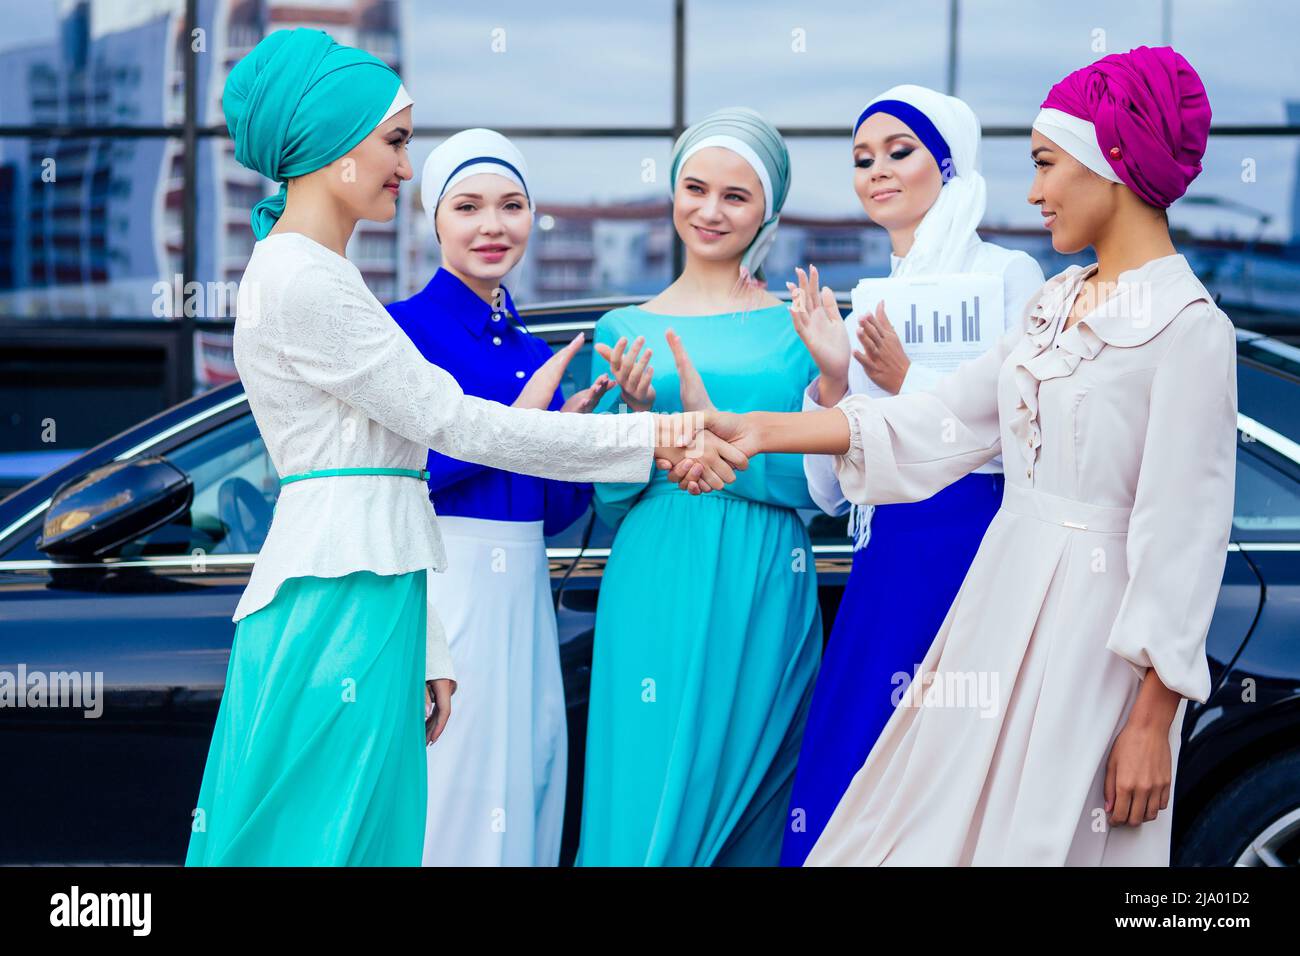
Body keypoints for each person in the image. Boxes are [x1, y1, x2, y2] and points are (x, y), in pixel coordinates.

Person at [184, 27, 745, 867]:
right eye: (396, 142)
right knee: (309, 841)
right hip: (334, 604)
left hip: (368, 599)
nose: (407, 168)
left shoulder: (323, 275)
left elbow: (392, 474)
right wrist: (654, 435)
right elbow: (451, 424)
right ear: (333, 142)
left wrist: (427, 644)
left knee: (357, 840)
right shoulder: (302, 279)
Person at [664, 46, 1235, 866]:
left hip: (1094, 641)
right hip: (996, 605)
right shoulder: (1055, 301)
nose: (1033, 192)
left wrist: (1152, 719)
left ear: (1112, 161)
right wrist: (762, 429)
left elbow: (1185, 535)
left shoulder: (1190, 328)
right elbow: (940, 421)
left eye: (1045, 165)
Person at [780, 85, 1045, 866]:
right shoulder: (869, 298)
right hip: (890, 553)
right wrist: (833, 380)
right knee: (859, 754)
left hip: (979, 546)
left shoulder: (1011, 274)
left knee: (958, 766)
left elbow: (1029, 431)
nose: (877, 172)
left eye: (900, 152)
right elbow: (832, 492)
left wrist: (902, 385)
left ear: (950, 164)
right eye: (863, 159)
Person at [574, 107, 823, 866]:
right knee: (646, 800)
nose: (711, 211)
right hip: (656, 579)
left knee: (757, 800)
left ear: (767, 213)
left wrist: (724, 451)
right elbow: (609, 505)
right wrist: (647, 434)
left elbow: (824, 484)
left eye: (736, 196)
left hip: (767, 581)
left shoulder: (799, 328)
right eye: (695, 188)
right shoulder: (624, 327)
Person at [384, 128, 612, 867]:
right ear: (435, 220)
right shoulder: (401, 332)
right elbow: (396, 473)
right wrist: (520, 428)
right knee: (454, 791)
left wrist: (568, 448)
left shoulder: (530, 350)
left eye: (512, 206)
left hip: (524, 597)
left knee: (530, 776)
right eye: (469, 206)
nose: (493, 226)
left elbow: (551, 516)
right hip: (446, 589)